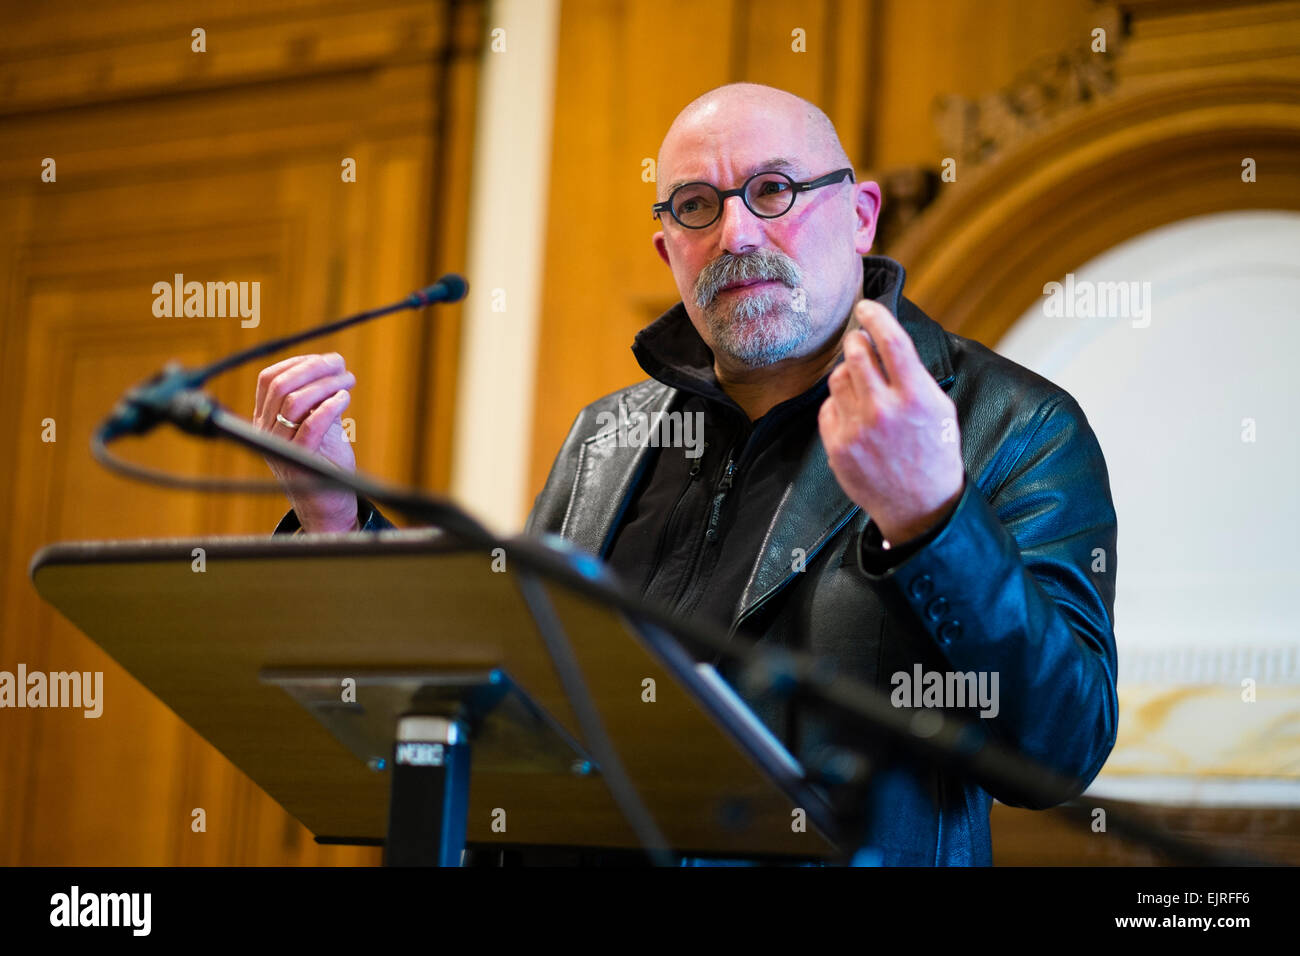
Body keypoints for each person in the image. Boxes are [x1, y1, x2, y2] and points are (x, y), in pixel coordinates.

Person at [255, 83, 1119, 866]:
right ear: (668, 248)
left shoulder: (1009, 425)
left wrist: (934, 520)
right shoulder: (607, 437)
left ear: (860, 215)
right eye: (698, 207)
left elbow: (1059, 751)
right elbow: (505, 685)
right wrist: (338, 520)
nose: (737, 234)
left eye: (774, 190)